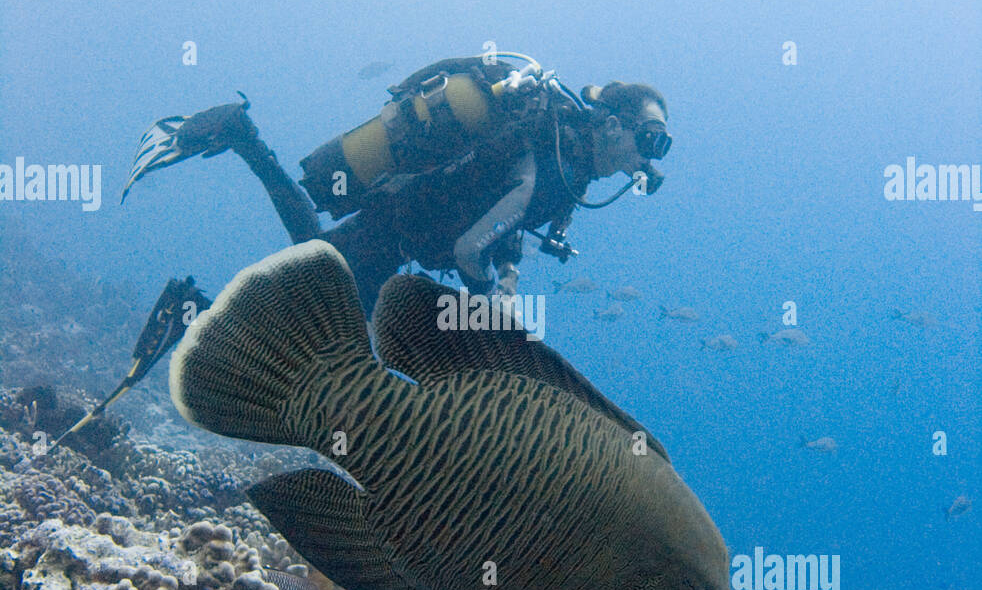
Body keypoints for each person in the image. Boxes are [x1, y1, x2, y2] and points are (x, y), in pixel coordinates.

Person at [59, 54, 671, 440]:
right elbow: (467, 250)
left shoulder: (570, 172)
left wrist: (502, 282)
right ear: (613, 125)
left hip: (406, 229)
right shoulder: (551, 153)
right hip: (399, 219)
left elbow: (505, 235)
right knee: (316, 280)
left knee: (321, 305)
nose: (648, 160)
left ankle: (199, 308)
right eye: (651, 140)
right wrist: (489, 305)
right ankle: (238, 155)